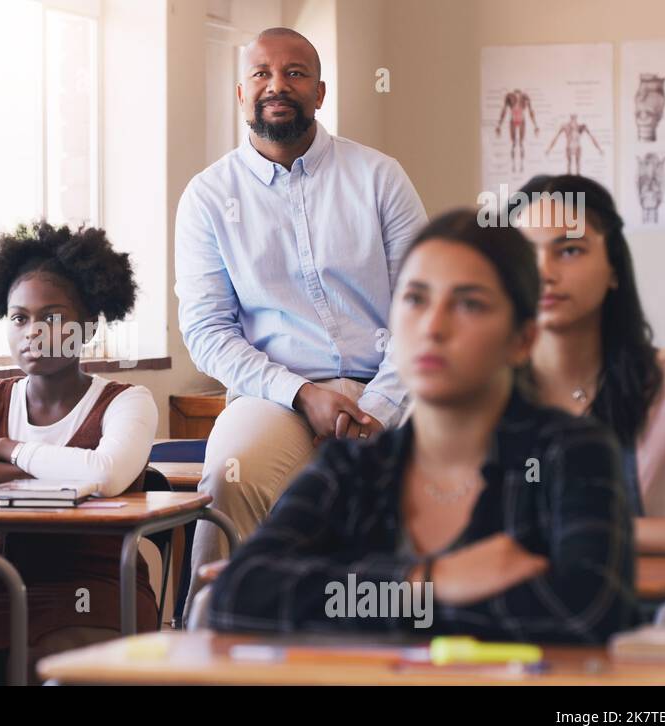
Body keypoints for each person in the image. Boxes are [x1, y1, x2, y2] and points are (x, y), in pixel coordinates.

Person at [208, 209, 636, 643]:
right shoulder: (355, 467)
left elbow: (586, 613)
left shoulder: (571, 454)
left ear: (522, 339)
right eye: (415, 299)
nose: (433, 326)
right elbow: (239, 593)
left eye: (470, 303)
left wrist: (352, 595)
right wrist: (426, 582)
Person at [175, 26, 427, 606]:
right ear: (241, 94)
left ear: (320, 91)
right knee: (230, 473)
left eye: (294, 73)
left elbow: (424, 309)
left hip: (393, 386)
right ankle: (211, 640)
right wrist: (300, 394)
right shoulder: (208, 197)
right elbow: (208, 333)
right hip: (272, 395)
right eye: (261, 73)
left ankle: (409, 647)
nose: (276, 85)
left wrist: (381, 408)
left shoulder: (378, 177)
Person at [0, 221, 158, 682]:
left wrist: (7, 449)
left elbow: (106, 474)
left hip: (97, 587)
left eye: (51, 317)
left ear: (88, 327)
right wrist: (63, 473)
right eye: (19, 318)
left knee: (53, 665)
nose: (33, 331)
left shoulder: (127, 400)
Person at [517, 174, 665, 558]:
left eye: (569, 250)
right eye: (525, 255)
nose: (544, 273)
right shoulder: (477, 385)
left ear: (613, 268)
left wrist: (606, 533)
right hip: (505, 614)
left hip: (640, 613)